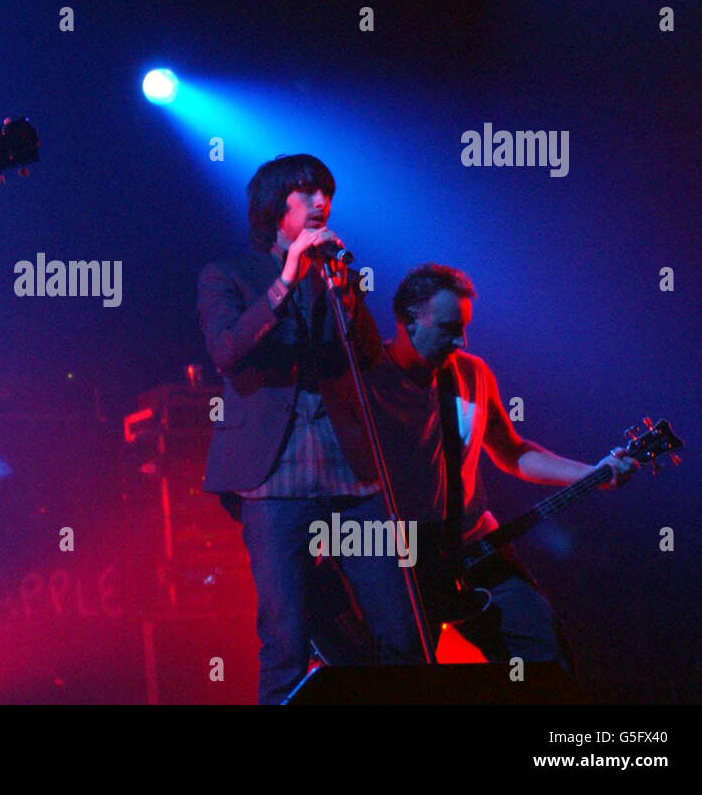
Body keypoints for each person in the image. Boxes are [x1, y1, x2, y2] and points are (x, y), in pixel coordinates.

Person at [197, 154, 420, 704]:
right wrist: (287, 277)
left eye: (327, 191)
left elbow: (371, 360)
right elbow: (227, 352)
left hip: (351, 476)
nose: (322, 201)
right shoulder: (229, 274)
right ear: (277, 207)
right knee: (285, 637)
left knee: (401, 628)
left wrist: (348, 294)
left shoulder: (336, 272)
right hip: (275, 482)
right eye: (306, 192)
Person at [369, 263, 638, 670]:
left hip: (476, 546)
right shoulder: (368, 381)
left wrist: (592, 473)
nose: (461, 340)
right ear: (409, 320)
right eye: (448, 328)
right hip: (400, 561)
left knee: (543, 659)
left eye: (464, 328)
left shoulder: (472, 373)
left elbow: (512, 453)